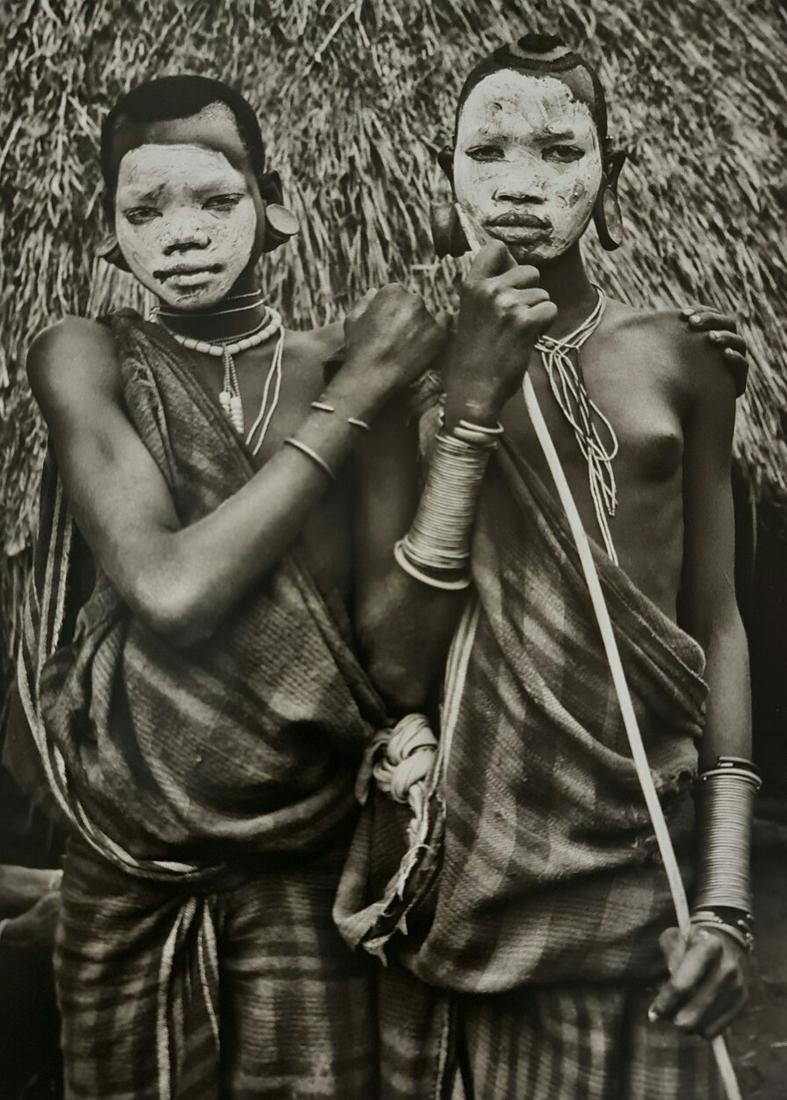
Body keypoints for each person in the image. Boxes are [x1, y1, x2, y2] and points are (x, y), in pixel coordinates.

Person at [336, 34, 756, 1099]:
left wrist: (724, 899)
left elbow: (716, 620)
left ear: (611, 167)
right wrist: (467, 407)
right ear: (445, 171)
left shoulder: (684, 356)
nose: (522, 183)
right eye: (488, 150)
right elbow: (392, 659)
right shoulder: (398, 369)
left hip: (649, 872)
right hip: (484, 868)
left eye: (559, 148)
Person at [11, 74, 445, 1098]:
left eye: (213, 198)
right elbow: (169, 589)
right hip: (127, 856)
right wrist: (356, 398)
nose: (182, 233)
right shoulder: (85, 356)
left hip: (304, 854)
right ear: (110, 235)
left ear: (275, 201)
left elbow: (391, 659)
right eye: (144, 208)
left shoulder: (342, 364)